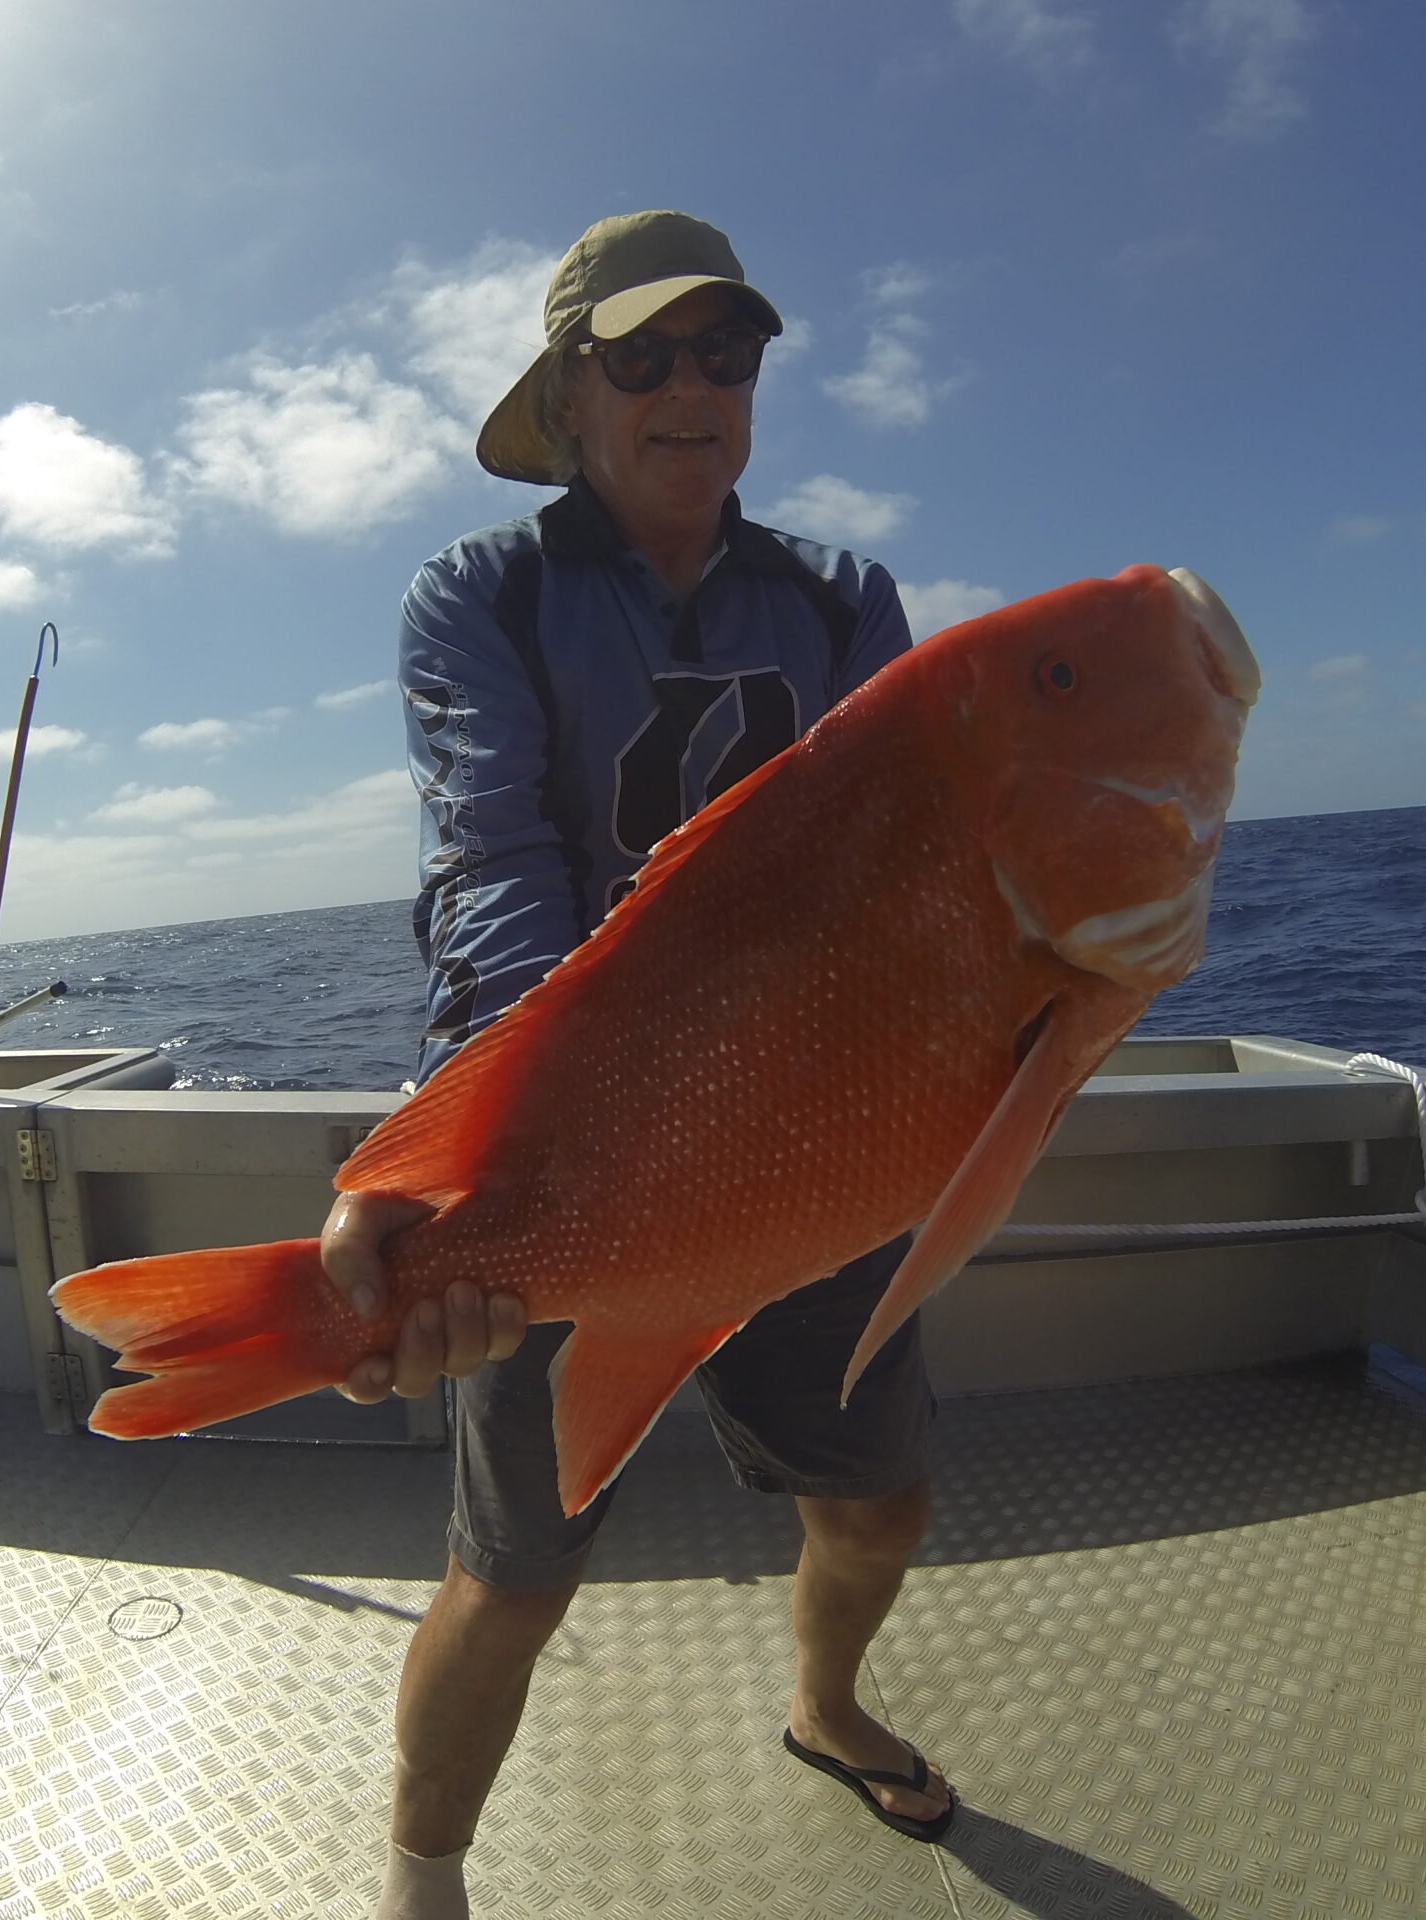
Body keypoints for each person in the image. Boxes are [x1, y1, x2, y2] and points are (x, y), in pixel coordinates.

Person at [321, 210, 952, 1920]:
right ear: (573, 397)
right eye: (647, 356)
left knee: (880, 1501)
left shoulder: (845, 600)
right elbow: (494, 863)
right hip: (574, 1157)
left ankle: (824, 1708)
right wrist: (484, 1162)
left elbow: (906, 867)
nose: (695, 388)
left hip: (816, 1152)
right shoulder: (482, 594)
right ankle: (422, 1874)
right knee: (513, 1574)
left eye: (727, 354)